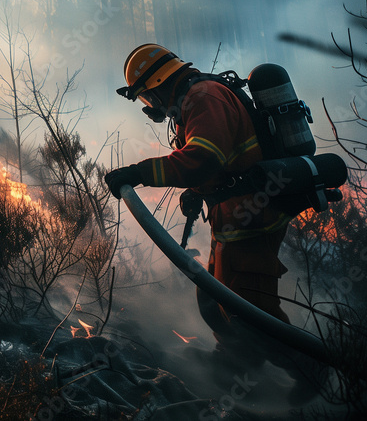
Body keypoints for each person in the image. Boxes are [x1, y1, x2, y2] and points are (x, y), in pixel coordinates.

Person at [104, 44, 318, 393]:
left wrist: (138, 172)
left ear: (158, 83)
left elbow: (201, 160)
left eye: (146, 98)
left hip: (254, 218)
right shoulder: (193, 100)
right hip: (234, 218)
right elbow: (222, 162)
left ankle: (311, 370)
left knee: (253, 313)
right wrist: (200, 191)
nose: (149, 107)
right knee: (218, 297)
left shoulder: (204, 97)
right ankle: (234, 363)